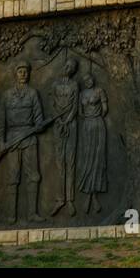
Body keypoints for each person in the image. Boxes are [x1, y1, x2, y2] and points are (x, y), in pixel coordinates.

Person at [0, 62, 45, 224]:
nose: (23, 74)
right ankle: (12, 215)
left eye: (25, 71)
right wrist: (1, 141)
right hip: (12, 140)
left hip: (29, 139)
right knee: (13, 177)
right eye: (20, 71)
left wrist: (39, 126)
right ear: (15, 74)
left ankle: (32, 214)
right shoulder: (7, 95)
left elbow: (39, 118)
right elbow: (1, 120)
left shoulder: (33, 93)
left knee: (33, 177)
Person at [49, 58, 80, 217]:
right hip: (58, 124)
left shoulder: (75, 85)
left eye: (72, 67)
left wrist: (67, 121)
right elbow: (52, 104)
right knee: (60, 163)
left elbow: (75, 105)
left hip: (71, 124)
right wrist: (59, 121)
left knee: (70, 161)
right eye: (67, 65)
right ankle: (60, 199)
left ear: (73, 71)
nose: (68, 68)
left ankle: (70, 200)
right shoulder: (54, 85)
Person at [76, 73, 109, 214]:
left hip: (97, 124)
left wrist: (96, 116)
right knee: (87, 158)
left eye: (89, 79)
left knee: (97, 157)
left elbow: (105, 108)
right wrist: (88, 117)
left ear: (93, 79)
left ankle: (94, 195)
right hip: (87, 126)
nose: (88, 81)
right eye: (85, 80)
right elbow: (80, 112)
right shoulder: (82, 94)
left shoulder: (100, 91)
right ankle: (88, 195)